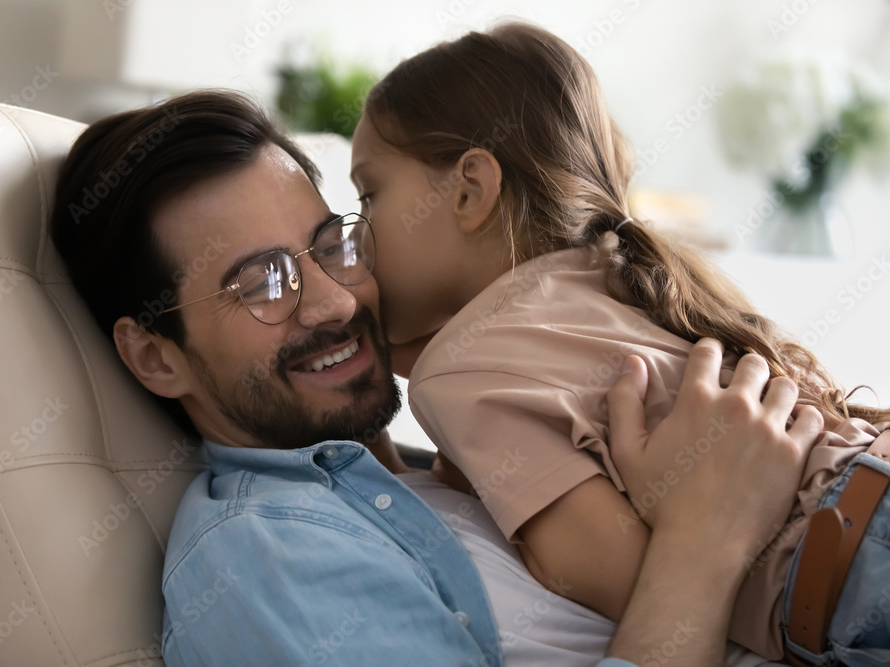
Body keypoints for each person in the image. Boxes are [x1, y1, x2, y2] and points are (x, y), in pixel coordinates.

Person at [50, 90, 820, 666]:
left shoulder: (433, 467)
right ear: (156, 355)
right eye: (262, 282)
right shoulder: (262, 555)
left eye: (332, 244)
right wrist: (706, 539)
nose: (332, 298)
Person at [349, 21, 890, 664]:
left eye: (369, 194)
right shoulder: (615, 274)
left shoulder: (452, 373)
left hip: (846, 576)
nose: (357, 240)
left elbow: (615, 575)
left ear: (470, 188)